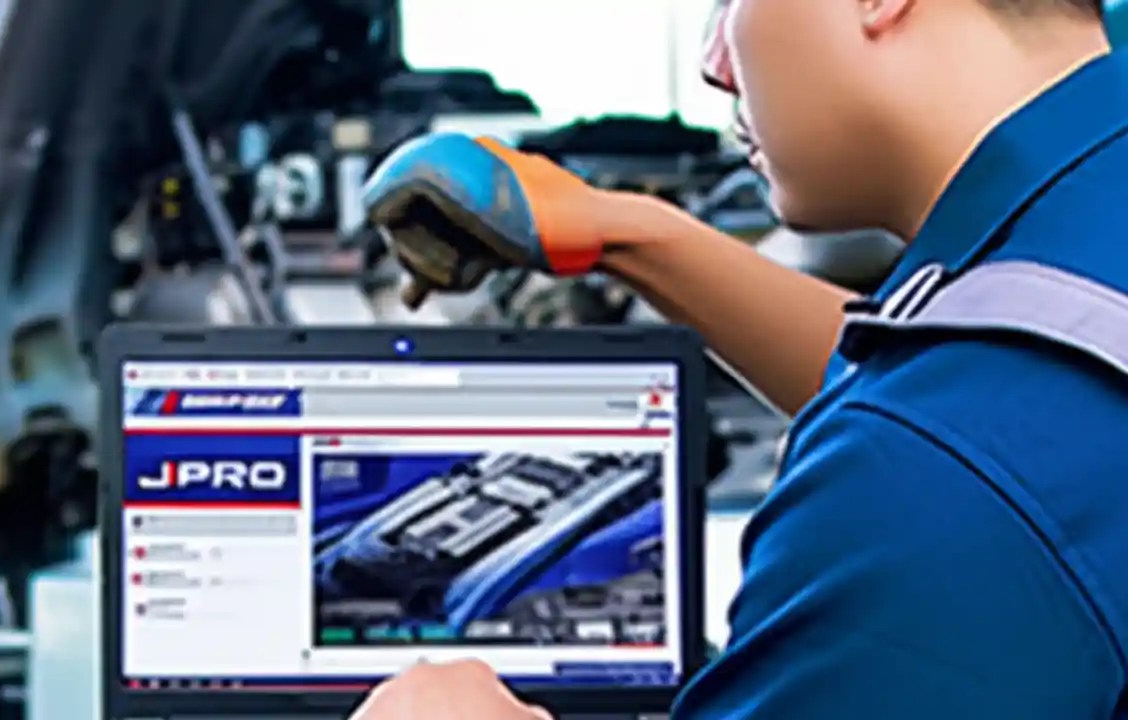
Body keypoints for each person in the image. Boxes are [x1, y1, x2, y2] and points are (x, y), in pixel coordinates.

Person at [355, 0, 1128, 717]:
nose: (714, 61)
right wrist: (624, 235)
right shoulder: (1090, 210)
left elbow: (956, 452)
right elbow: (1015, 392)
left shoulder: (926, 479)